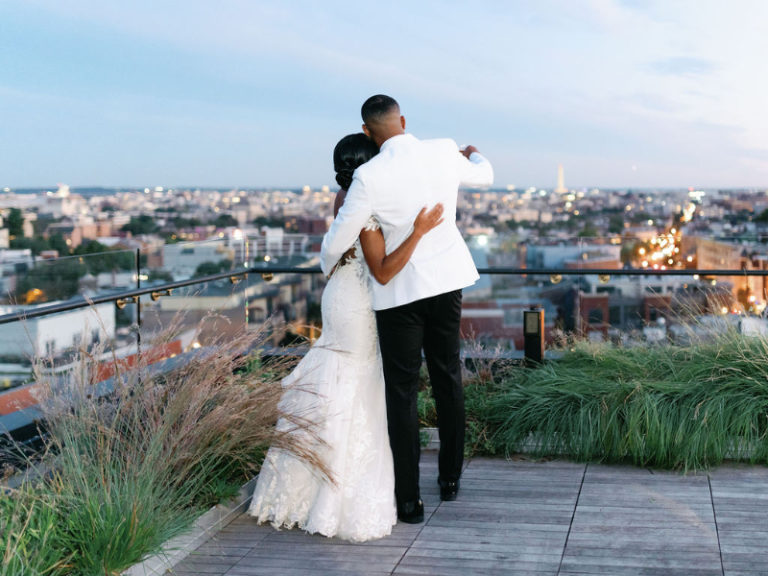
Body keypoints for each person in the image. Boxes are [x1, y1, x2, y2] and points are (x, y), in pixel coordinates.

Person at [248, 133, 444, 542]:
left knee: (341, 376)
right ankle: (337, 490)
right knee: (356, 381)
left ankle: (309, 477)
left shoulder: (344, 197)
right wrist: (421, 230)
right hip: (356, 303)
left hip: (341, 296)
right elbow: (384, 270)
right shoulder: (363, 204)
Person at [321, 95, 493, 524]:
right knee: (448, 377)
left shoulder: (367, 175)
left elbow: (341, 238)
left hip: (397, 294)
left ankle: (409, 500)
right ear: (403, 120)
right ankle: (450, 479)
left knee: (402, 393)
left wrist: (327, 262)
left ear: (367, 132)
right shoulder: (441, 150)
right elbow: (485, 177)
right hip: (446, 283)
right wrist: (472, 154)